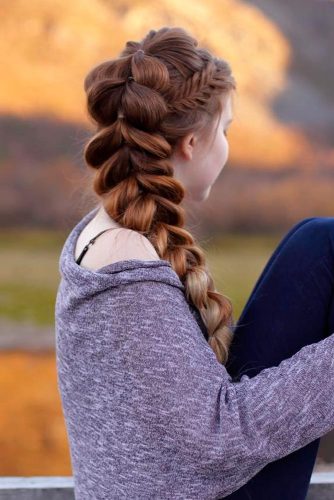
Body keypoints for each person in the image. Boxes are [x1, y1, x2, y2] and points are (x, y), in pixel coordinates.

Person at [55, 26, 334, 499]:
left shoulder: (108, 233)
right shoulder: (127, 272)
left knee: (317, 242)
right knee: (322, 245)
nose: (225, 146)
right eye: (223, 132)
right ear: (190, 144)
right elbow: (217, 441)